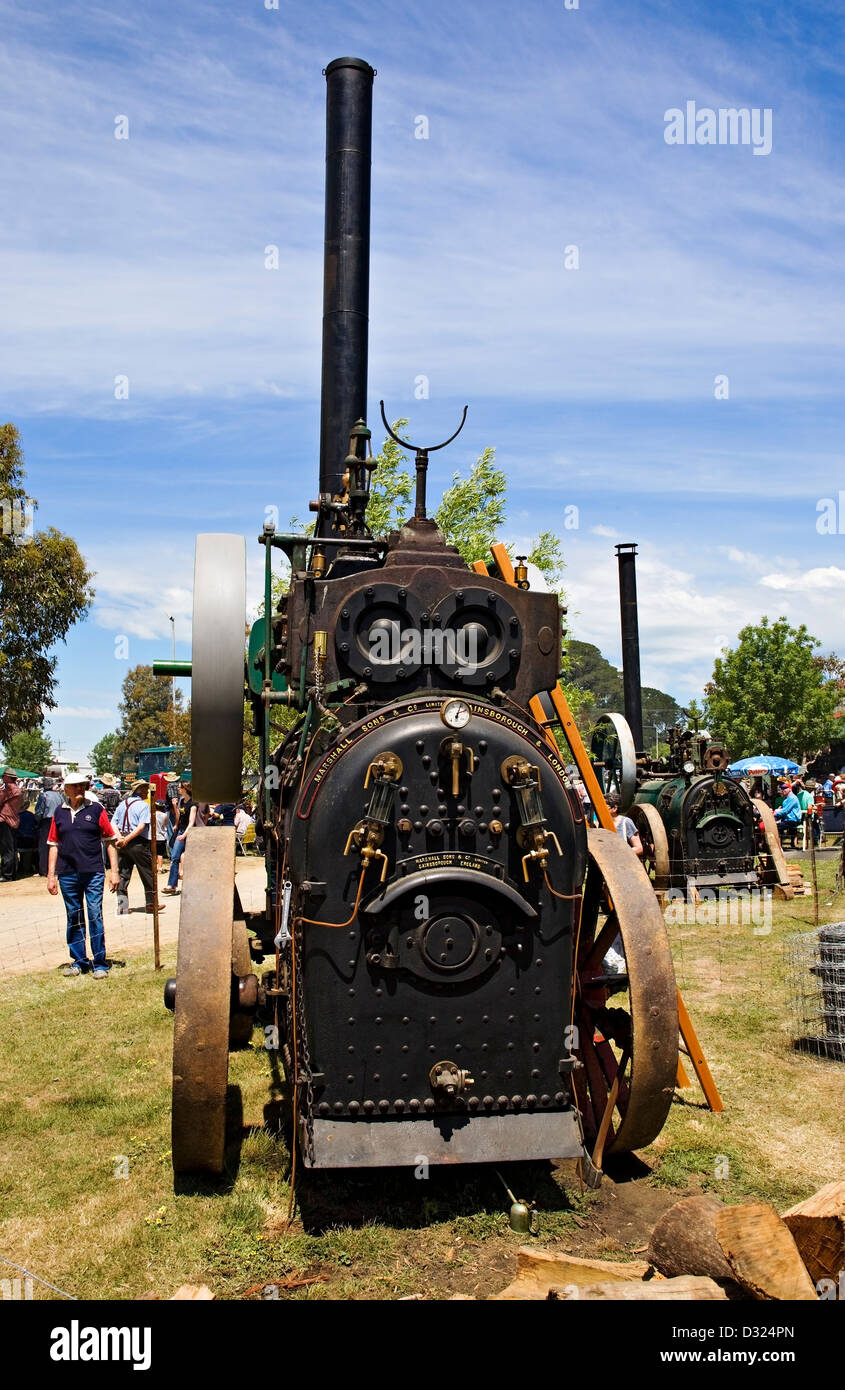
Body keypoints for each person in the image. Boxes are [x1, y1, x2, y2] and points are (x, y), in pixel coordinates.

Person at [46, 771, 119, 977]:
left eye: (82, 785)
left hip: (93, 871)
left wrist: (114, 872)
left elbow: (110, 841)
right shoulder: (59, 813)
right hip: (67, 873)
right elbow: (53, 845)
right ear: (66, 789)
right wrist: (51, 876)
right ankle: (79, 961)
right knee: (74, 916)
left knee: (95, 913)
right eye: (75, 786)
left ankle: (100, 963)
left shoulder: (96, 810)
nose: (80, 789)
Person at [111, 780, 165, 915]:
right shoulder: (143, 806)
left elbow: (113, 823)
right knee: (148, 872)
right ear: (140, 790)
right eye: (145, 789)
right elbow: (141, 827)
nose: (147, 792)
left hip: (123, 842)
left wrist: (120, 838)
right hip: (138, 843)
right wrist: (127, 839)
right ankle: (151, 904)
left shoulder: (122, 804)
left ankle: (122, 906)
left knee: (123, 875)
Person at [165, 782, 196, 895]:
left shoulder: (193, 804)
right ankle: (171, 885)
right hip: (181, 831)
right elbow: (179, 815)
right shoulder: (181, 801)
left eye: (179, 787)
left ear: (185, 789)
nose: (177, 789)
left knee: (192, 859)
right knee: (174, 856)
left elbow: (191, 822)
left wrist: (184, 835)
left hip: (190, 833)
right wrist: (176, 825)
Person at [33, 777, 65, 876]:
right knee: (57, 844)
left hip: (47, 822)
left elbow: (39, 812)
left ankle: (44, 870)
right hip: (59, 821)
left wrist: (37, 823)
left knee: (44, 846)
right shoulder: (59, 795)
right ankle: (57, 868)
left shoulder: (43, 795)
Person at [0, 768, 25, 881]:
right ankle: (13, 873)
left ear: (9, 777)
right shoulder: (17, 789)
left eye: (4, 775)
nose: (2, 777)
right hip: (14, 821)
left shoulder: (8, 789)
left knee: (7, 849)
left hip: (5, 820)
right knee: (13, 849)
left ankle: (7, 874)